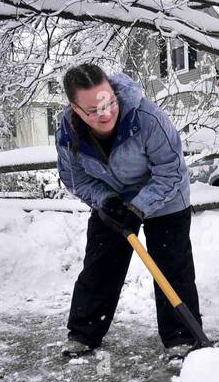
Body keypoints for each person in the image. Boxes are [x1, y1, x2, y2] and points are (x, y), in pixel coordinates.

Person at [55, 63, 204, 361]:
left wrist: (139, 207)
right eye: (93, 111)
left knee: (171, 265)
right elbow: (75, 178)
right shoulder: (68, 133)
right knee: (100, 264)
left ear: (112, 91)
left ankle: (182, 337)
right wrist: (106, 200)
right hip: (112, 200)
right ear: (75, 109)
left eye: (108, 102)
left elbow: (171, 172)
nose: (105, 113)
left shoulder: (148, 119)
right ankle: (84, 332)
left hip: (166, 196)